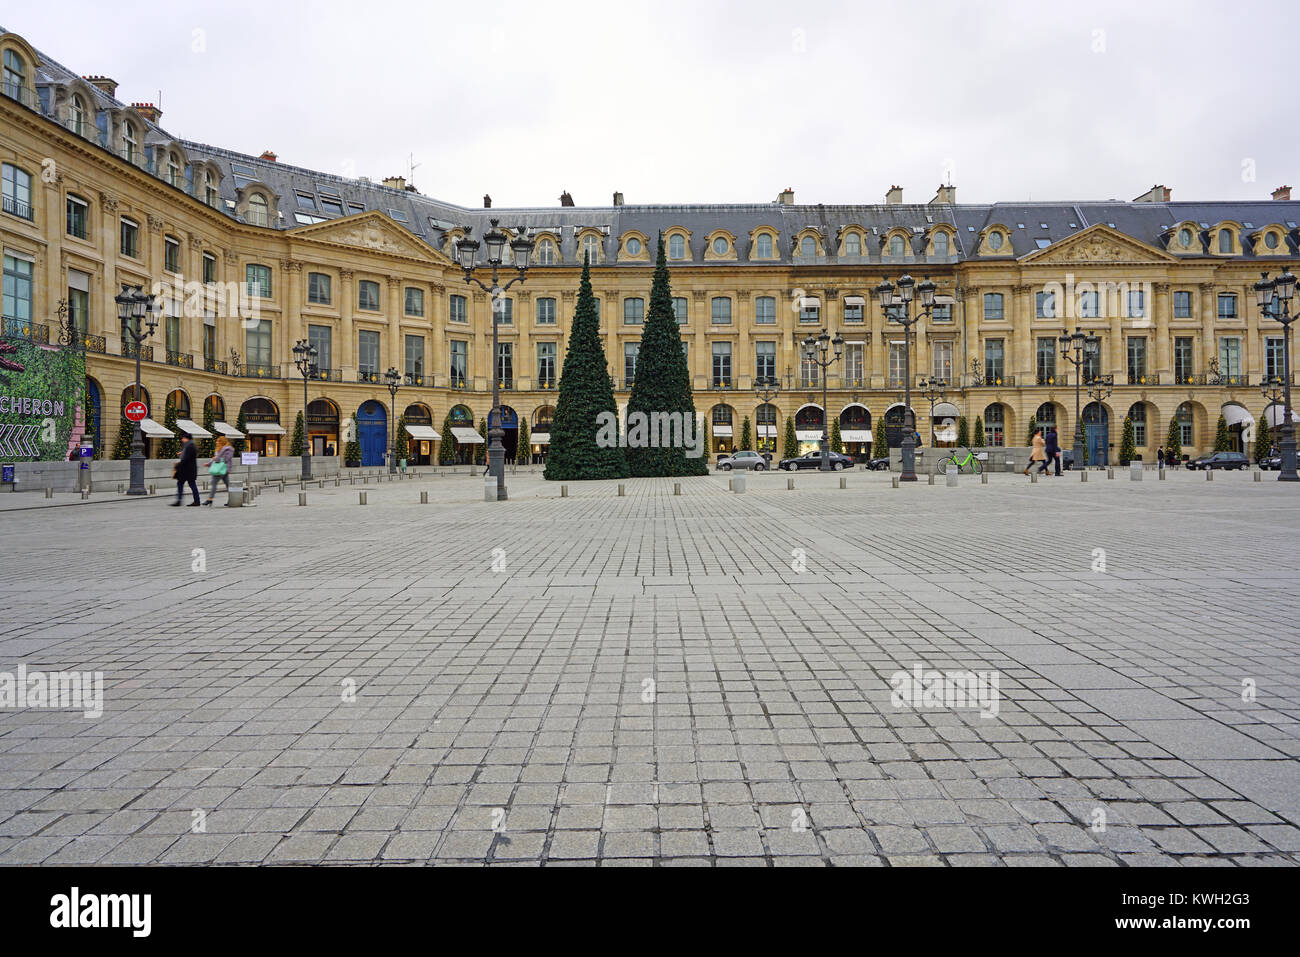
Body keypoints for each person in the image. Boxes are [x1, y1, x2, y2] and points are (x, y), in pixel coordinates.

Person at [204, 435, 234, 505]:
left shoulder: (228, 449)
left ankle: (210, 499)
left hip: (222, 469)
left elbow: (226, 459)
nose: (216, 442)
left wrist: (217, 459)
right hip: (222, 469)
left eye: (218, 441)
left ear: (222, 442)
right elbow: (215, 459)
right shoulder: (219, 449)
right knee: (228, 485)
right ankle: (232, 499)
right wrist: (209, 464)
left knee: (214, 483)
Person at [172, 434, 200, 506]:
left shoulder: (190, 446)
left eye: (183, 438)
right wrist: (182, 454)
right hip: (187, 470)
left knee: (190, 484)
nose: (182, 439)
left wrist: (178, 465)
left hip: (188, 470)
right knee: (182, 484)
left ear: (187, 438)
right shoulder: (189, 446)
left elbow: (187, 459)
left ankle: (196, 501)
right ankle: (195, 501)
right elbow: (187, 456)